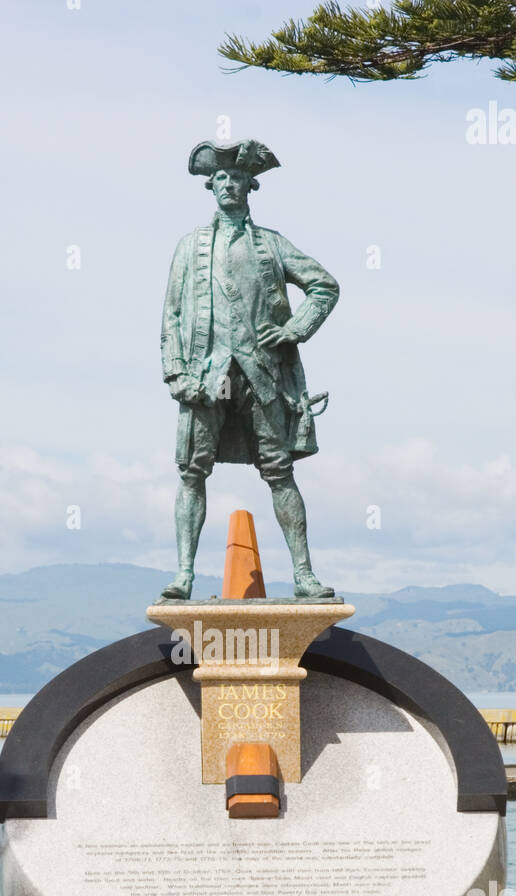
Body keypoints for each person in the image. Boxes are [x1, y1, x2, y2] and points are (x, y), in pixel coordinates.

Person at [159, 138, 339, 601]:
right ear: (210, 187)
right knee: (191, 472)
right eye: (220, 179)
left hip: (262, 373)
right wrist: (176, 371)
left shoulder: (273, 245)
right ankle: (183, 574)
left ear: (250, 186)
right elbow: (173, 314)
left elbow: (324, 286)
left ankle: (304, 574)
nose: (228, 186)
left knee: (279, 472)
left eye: (237, 179)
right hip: (207, 373)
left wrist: (296, 329)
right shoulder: (189, 246)